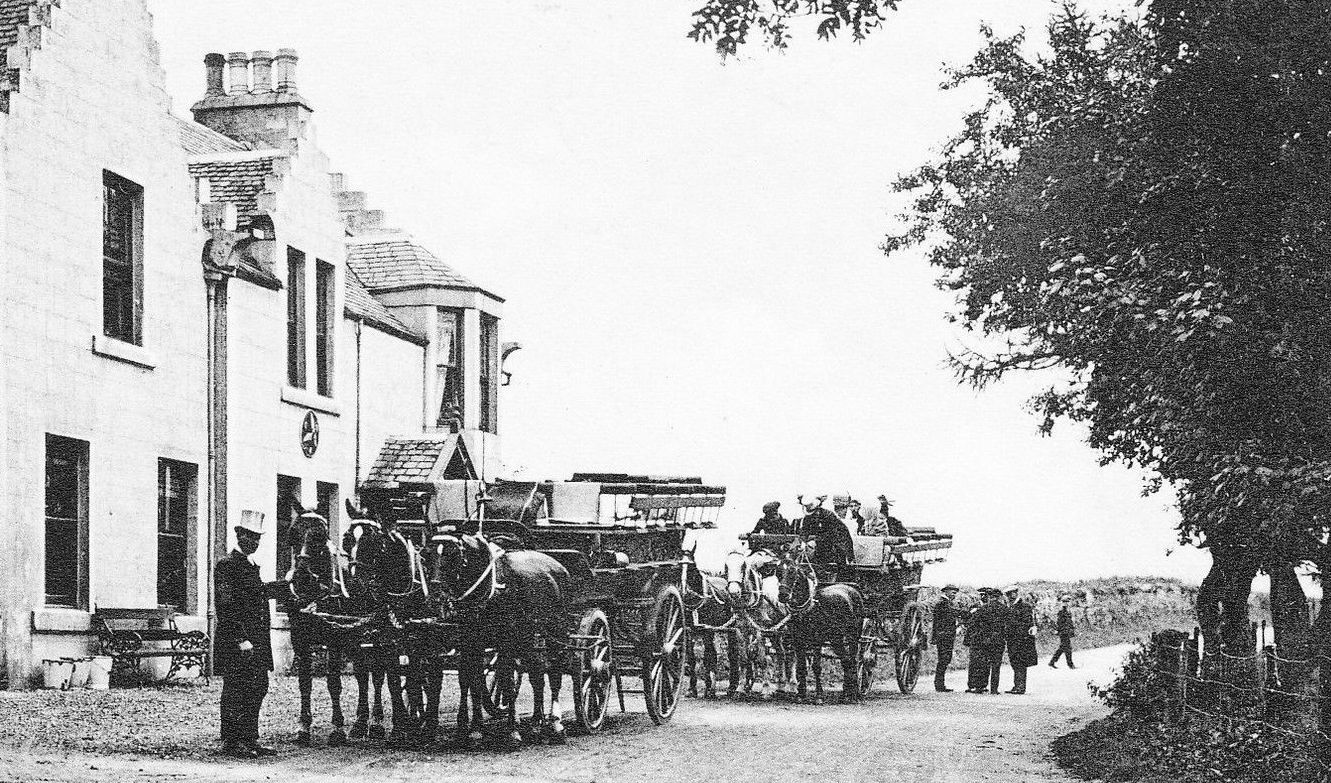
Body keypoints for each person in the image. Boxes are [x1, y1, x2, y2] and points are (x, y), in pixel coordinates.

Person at [215, 512, 289, 758]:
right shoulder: (227, 566)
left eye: (257, 538)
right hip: (238, 640)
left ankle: (249, 738)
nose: (254, 542)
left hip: (256, 640)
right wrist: (239, 638)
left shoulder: (250, 566)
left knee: (258, 686)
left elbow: (257, 594)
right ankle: (231, 741)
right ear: (239, 535)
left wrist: (287, 585)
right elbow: (226, 605)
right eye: (250, 536)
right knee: (236, 688)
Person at [795, 493, 853, 576]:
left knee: (839, 556)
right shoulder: (808, 518)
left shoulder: (829, 516)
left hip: (839, 540)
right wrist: (803, 542)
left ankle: (840, 575)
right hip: (822, 542)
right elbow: (804, 531)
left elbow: (832, 534)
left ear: (817, 509)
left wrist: (815, 541)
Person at [965, 588, 1007, 694]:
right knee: (996, 666)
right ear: (1000, 597)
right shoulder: (1004, 609)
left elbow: (973, 622)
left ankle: (979, 687)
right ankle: (994, 689)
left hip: (986, 640)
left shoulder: (984, 609)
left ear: (990, 597)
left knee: (984, 664)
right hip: (999, 640)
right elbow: (1009, 625)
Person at [1003, 585, 1038, 694]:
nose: (1009, 597)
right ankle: (1017, 685)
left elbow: (1026, 623)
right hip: (1012, 639)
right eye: (1007, 595)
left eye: (1011, 594)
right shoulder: (1010, 607)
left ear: (1015, 593)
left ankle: (1020, 687)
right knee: (1014, 662)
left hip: (1021, 640)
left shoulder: (1024, 606)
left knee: (1020, 663)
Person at [931, 584, 962, 692]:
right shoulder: (942, 604)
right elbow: (952, 613)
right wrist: (967, 613)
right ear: (946, 592)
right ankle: (939, 685)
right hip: (944, 636)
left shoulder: (945, 603)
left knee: (944, 659)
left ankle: (940, 684)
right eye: (953, 593)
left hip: (945, 635)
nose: (954, 595)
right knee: (944, 659)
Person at [1049, 594, 1077, 669]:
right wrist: (1062, 631)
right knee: (1067, 648)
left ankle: (1052, 662)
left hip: (1065, 632)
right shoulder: (1062, 611)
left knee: (1062, 648)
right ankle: (1070, 664)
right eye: (1067, 601)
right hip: (1064, 632)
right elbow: (1060, 623)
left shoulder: (1066, 611)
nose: (1069, 603)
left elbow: (1069, 622)